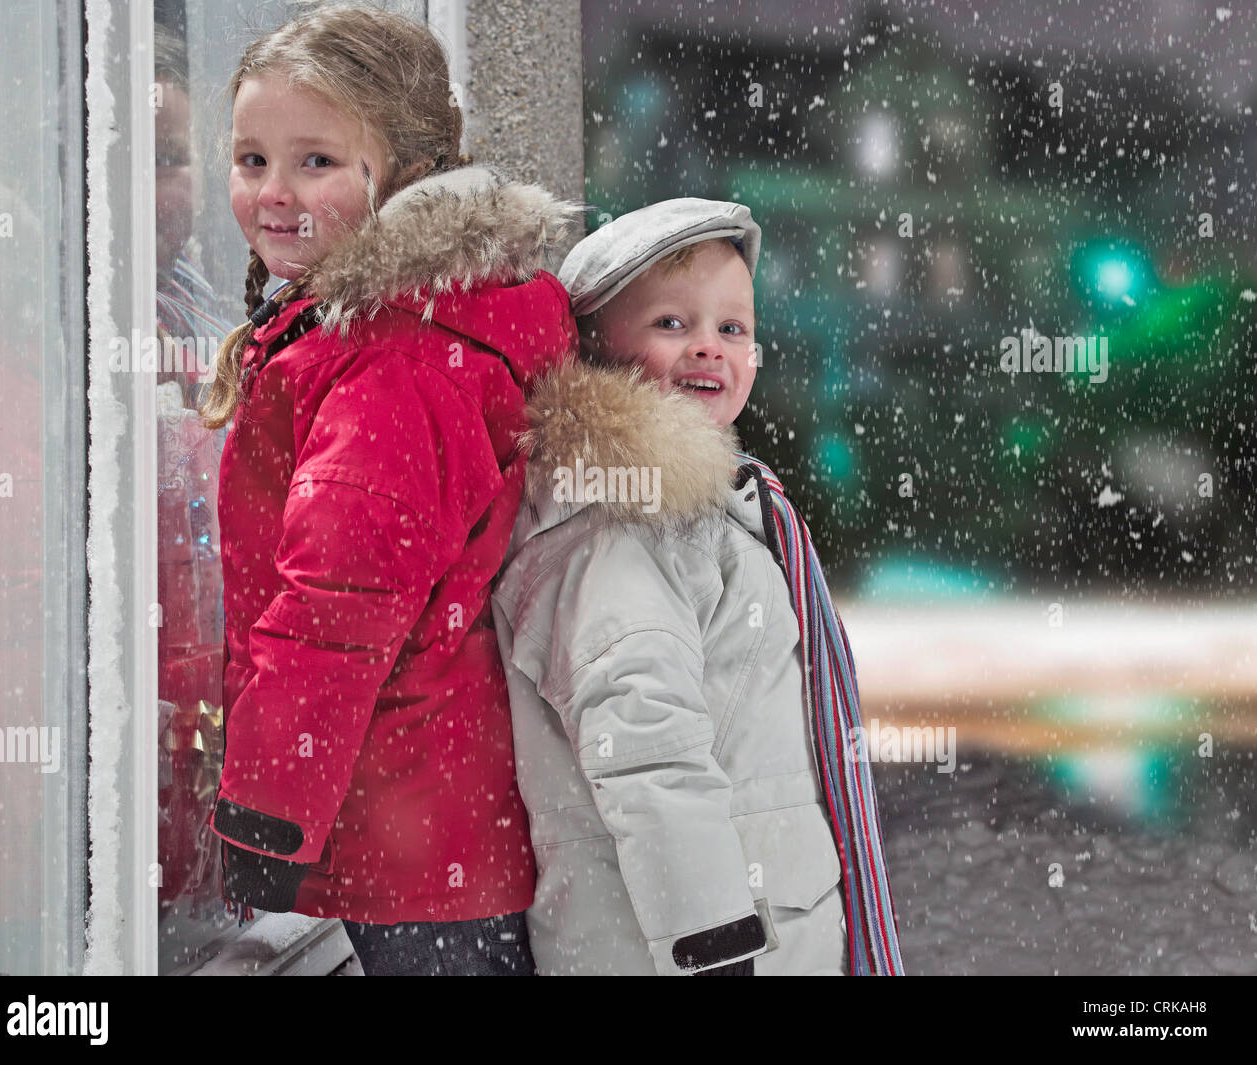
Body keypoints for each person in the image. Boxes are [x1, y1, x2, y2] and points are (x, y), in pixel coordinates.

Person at [200, 3, 578, 976]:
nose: (273, 193)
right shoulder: (418, 312)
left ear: (404, 167)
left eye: (315, 162)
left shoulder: (396, 359)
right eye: (251, 161)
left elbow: (338, 604)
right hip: (445, 812)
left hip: (416, 839)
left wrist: (264, 816)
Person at [491, 199, 904, 975]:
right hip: (701, 948)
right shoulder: (617, 526)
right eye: (672, 324)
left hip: (762, 927)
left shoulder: (703, 510)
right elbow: (648, 750)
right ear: (596, 352)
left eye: (732, 329)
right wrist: (712, 939)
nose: (708, 349)